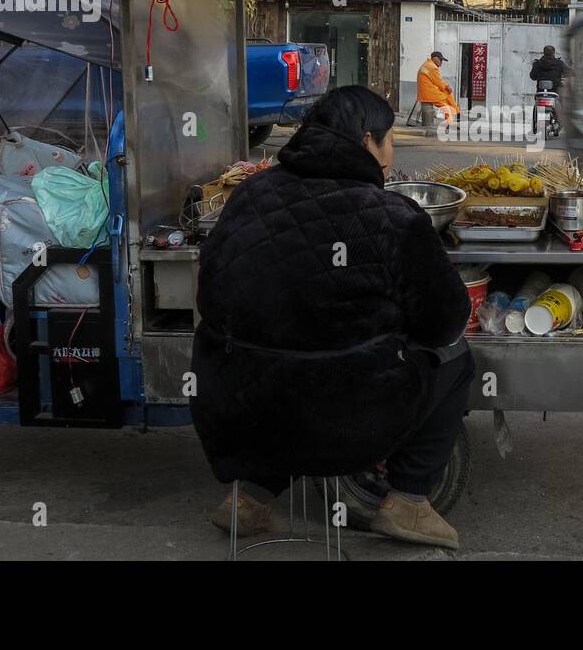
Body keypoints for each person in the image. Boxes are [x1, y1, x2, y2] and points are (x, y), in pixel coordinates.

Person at [190, 86, 475, 549]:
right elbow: (444, 322)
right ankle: (408, 500)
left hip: (237, 415)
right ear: (366, 141)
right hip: (346, 427)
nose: (391, 153)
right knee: (454, 356)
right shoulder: (394, 215)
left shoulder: (250, 194)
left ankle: (251, 498)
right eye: (388, 141)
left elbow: (211, 298)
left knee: (272, 362)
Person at [417, 51, 458, 128]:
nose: (441, 63)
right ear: (435, 59)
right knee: (447, 106)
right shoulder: (432, 67)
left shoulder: (426, 65)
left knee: (447, 101)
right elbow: (439, 82)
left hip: (424, 92)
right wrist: (447, 87)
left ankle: (451, 120)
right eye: (441, 60)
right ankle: (449, 123)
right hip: (430, 93)